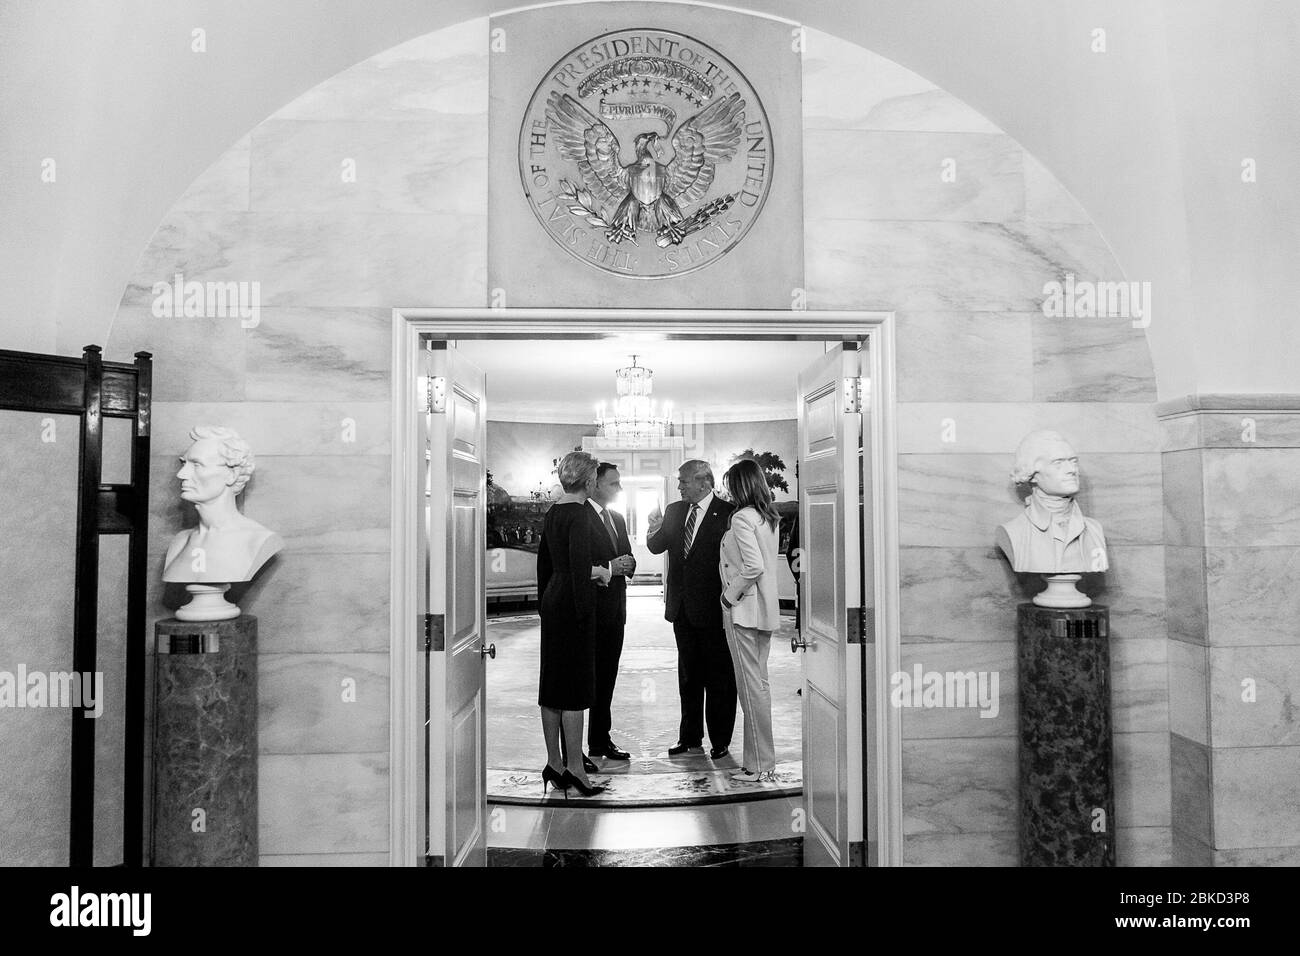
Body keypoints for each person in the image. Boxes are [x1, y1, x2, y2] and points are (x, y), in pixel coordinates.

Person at [647, 459, 737, 761]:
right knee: (688, 676)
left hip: (714, 609)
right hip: (681, 608)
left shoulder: (727, 514)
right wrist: (653, 524)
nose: (679, 486)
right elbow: (656, 547)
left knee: (719, 676)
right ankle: (689, 737)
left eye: (684, 481)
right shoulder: (674, 511)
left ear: (703, 482)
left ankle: (721, 739)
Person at [535, 451, 611, 798]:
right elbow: (581, 569)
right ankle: (577, 770)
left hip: (552, 601)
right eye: (595, 477)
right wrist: (585, 614)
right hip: (573, 606)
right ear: (588, 480)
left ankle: (554, 763)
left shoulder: (553, 512)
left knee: (552, 687)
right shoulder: (579, 515)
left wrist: (544, 604)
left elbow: (544, 565)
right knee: (577, 692)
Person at [718, 458, 782, 782]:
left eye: (730, 485)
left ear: (740, 486)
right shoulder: (768, 517)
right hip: (765, 612)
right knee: (759, 687)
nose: (727, 491)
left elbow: (753, 567)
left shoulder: (742, 518)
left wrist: (729, 595)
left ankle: (758, 766)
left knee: (749, 689)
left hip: (744, 612)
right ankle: (761, 762)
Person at [995, 430, 1109, 573]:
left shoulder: (1094, 530)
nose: (1072, 470)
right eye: (1058, 462)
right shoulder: (1014, 532)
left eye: (1073, 461)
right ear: (1032, 474)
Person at [586, 462, 637, 762]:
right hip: (590, 610)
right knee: (586, 682)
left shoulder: (617, 518)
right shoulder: (579, 516)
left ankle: (600, 741)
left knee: (607, 678)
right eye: (613, 483)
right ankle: (575, 751)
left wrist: (629, 564)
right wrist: (609, 567)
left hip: (616, 611)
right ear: (594, 485)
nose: (619, 489)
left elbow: (627, 553)